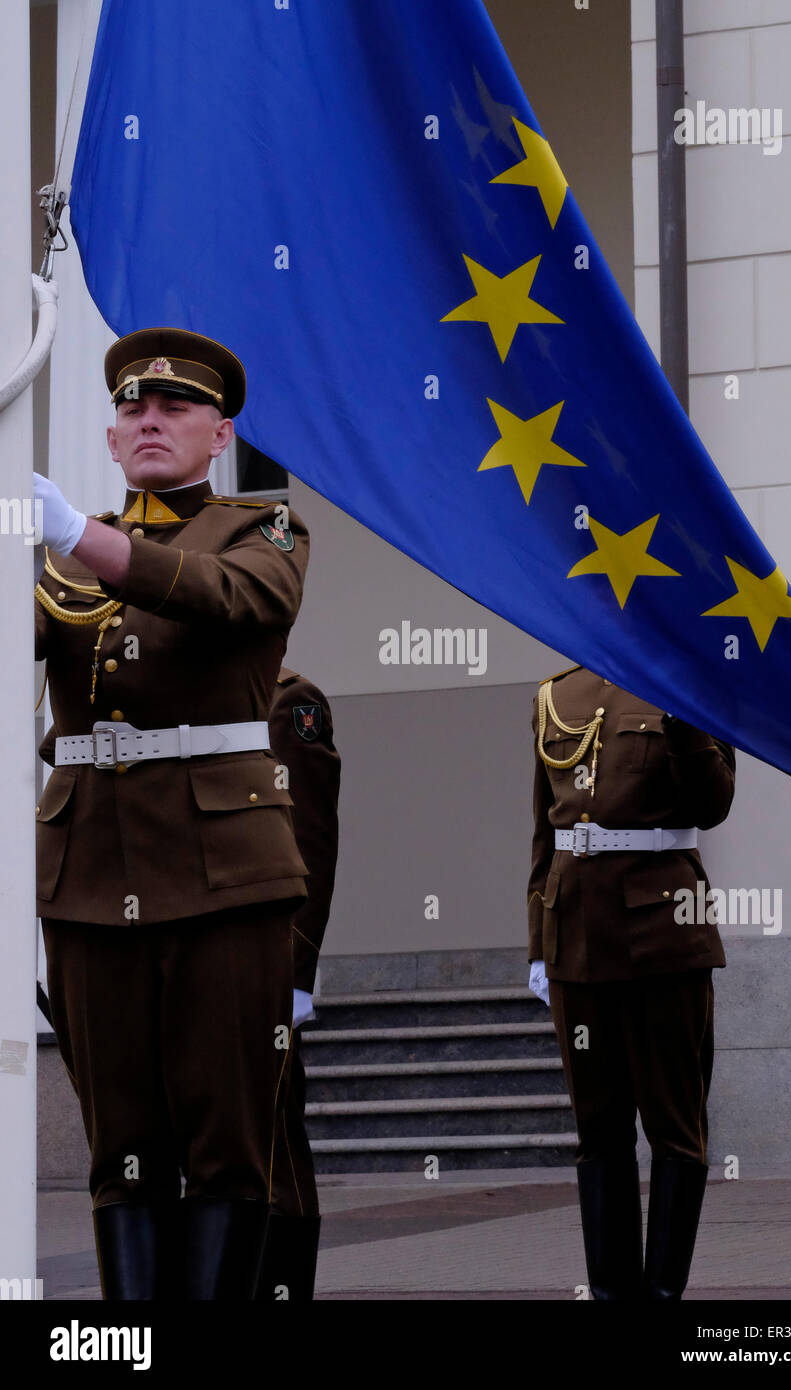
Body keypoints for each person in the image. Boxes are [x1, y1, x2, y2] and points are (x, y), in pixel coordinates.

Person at [34, 327, 310, 1300]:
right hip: (87, 883)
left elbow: (229, 599)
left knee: (228, 1147)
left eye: (174, 408)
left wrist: (86, 540)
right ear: (112, 438)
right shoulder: (57, 558)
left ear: (218, 432)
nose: (149, 420)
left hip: (223, 879)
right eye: (131, 409)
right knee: (125, 1156)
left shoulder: (259, 531)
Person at [527, 663, 735, 1300]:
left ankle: (663, 1294)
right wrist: (540, 941)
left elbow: (713, 804)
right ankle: (612, 1293)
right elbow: (546, 833)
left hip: (663, 933)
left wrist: (681, 717)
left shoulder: (689, 679)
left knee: (675, 1126)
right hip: (577, 937)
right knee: (598, 1131)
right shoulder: (556, 692)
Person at [256, 669, 341, 1302]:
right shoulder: (187, 687)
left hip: (262, 965)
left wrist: (295, 970)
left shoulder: (290, 699)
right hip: (186, 954)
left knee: (275, 1151)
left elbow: (309, 839)